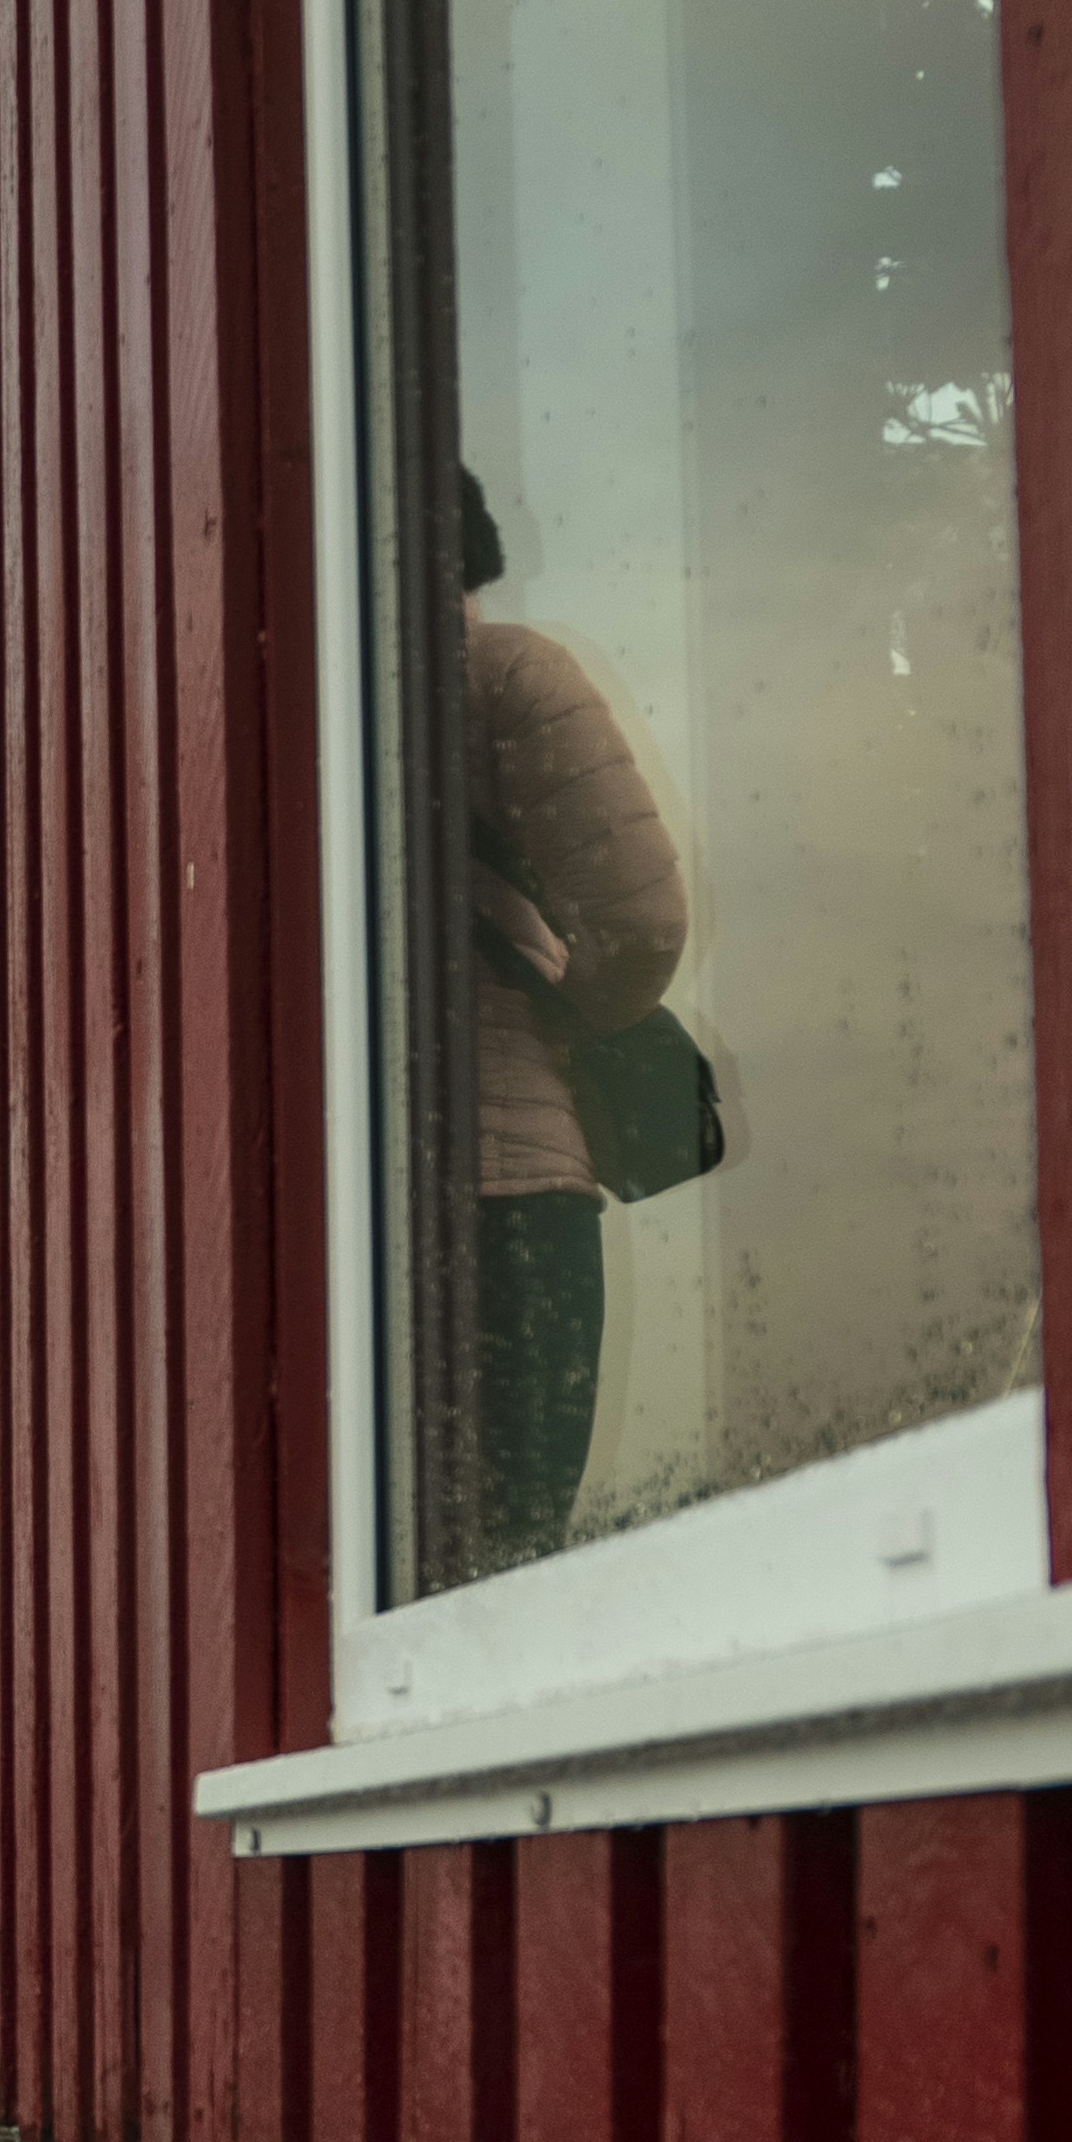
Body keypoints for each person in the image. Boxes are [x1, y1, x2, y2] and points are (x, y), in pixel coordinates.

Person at [458, 457, 687, 1570]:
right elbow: (642, 926)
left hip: (330, 1218)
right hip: (518, 1208)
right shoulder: (503, 675)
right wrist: (568, 1007)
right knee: (514, 1553)